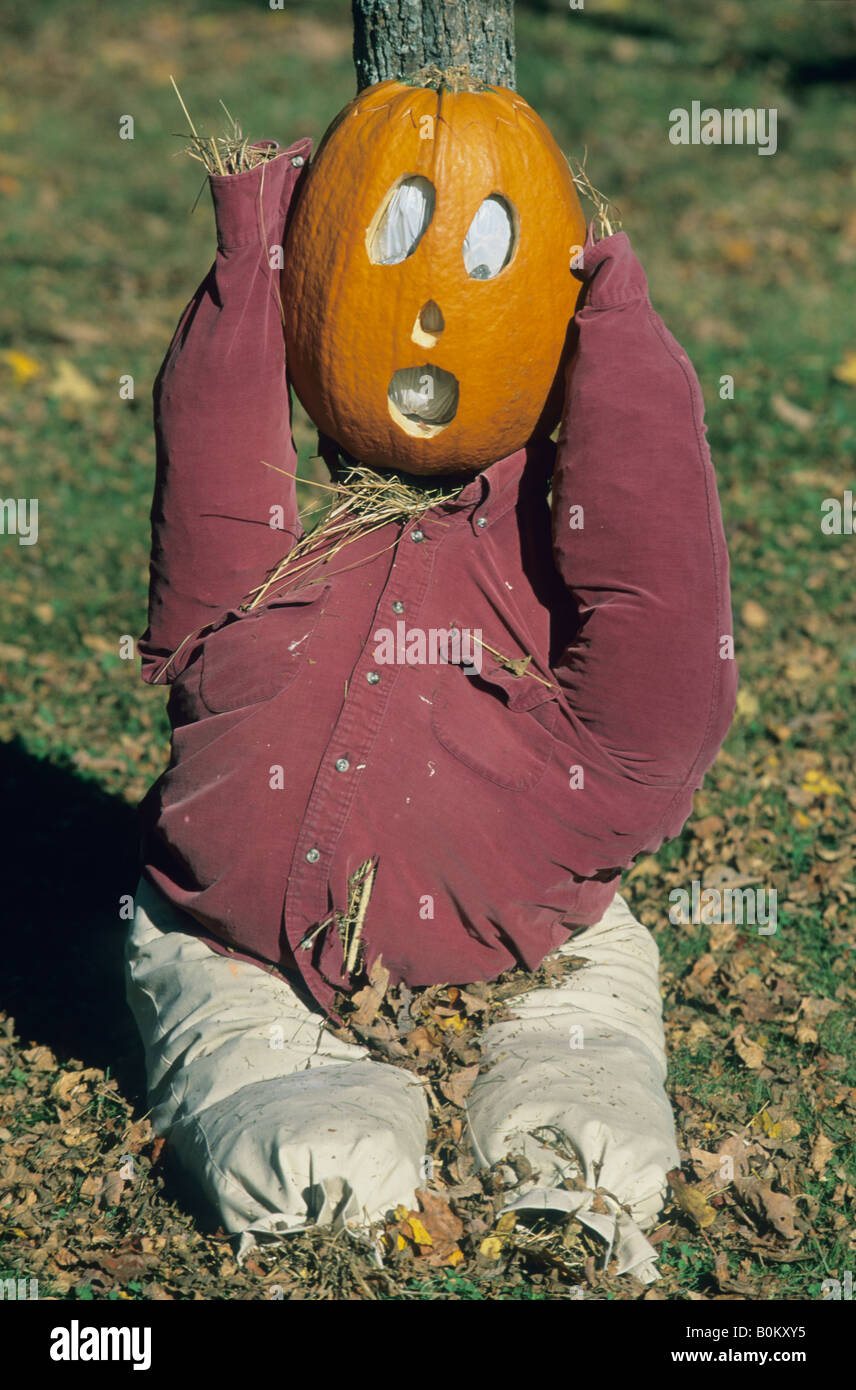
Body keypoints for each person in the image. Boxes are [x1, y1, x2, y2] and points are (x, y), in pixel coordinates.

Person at [125, 134, 737, 1283]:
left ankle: (567, 1156)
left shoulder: (547, 580)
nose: (424, 323)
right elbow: (210, 476)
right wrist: (257, 253)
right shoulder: (279, 553)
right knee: (312, 1151)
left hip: (538, 956)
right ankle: (308, 1120)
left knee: (586, 1136)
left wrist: (616, 342)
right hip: (239, 957)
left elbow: (656, 588)